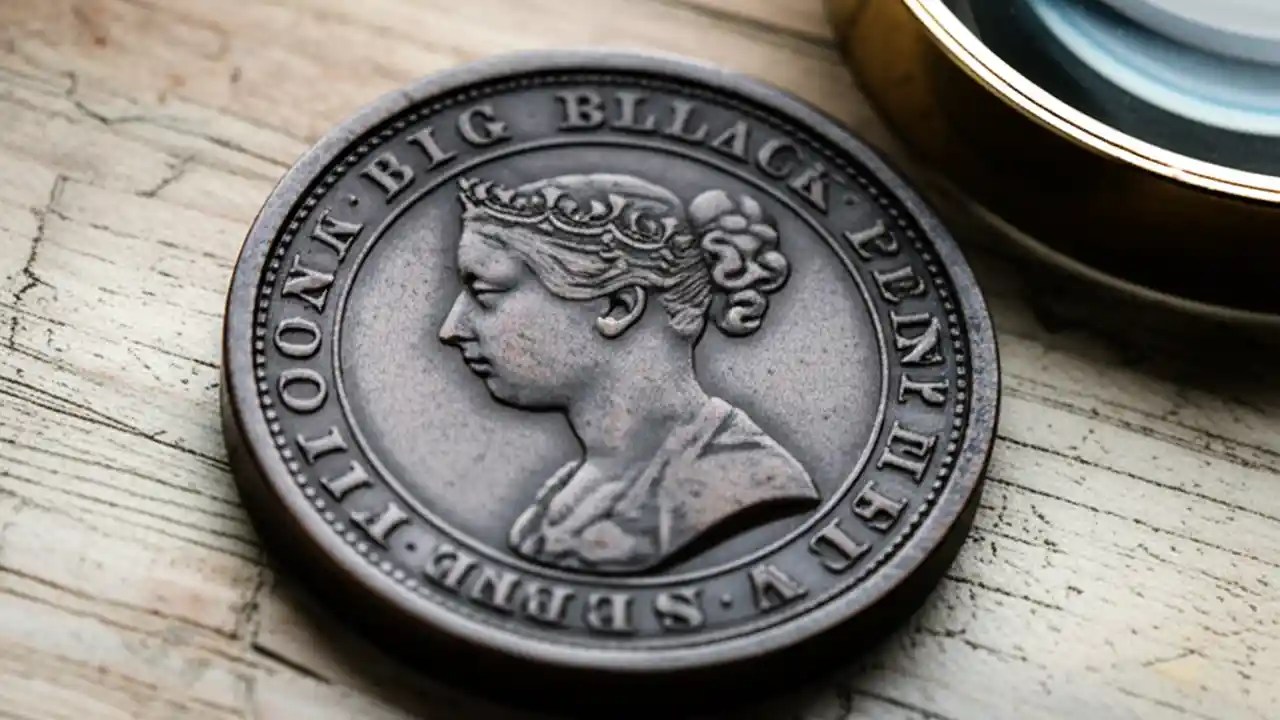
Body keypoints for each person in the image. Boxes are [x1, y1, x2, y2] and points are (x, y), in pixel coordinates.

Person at [438, 173, 818, 574]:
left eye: (484, 293)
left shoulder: (750, 481)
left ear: (618, 306)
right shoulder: (574, 492)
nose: (451, 329)